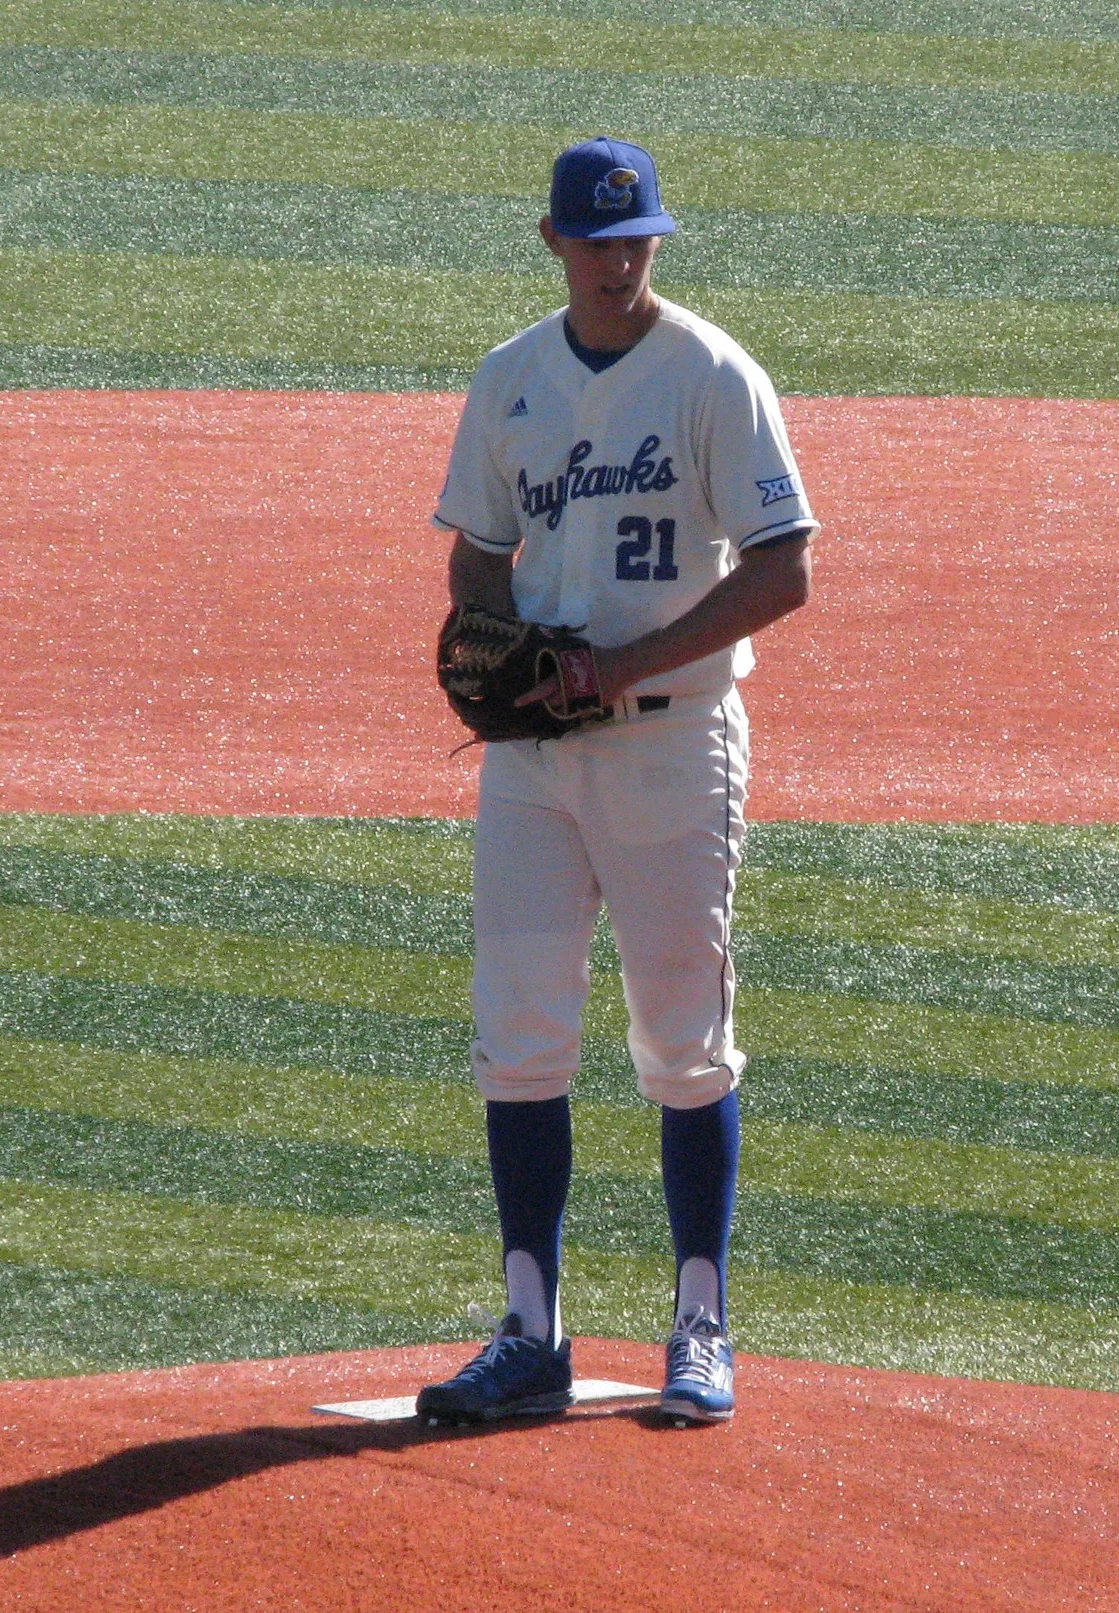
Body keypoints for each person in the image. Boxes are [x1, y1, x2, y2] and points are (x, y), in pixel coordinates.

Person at [416, 136, 818, 1426]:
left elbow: (782, 568)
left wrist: (622, 663)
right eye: (596, 239)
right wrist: (506, 655)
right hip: (534, 763)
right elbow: (480, 552)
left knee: (683, 1046)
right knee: (519, 1035)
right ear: (553, 243)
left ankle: (700, 1326)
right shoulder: (512, 379)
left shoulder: (711, 375)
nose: (618, 258)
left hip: (672, 744)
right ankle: (531, 1332)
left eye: (637, 236)